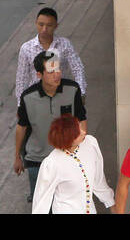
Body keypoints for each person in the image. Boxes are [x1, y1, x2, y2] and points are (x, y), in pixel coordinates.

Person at [15, 50, 86, 203]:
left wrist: (82, 148)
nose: (57, 74)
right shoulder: (28, 97)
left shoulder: (72, 90)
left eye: (58, 69)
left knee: (68, 204)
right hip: (37, 160)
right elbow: (22, 127)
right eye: (51, 71)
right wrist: (17, 157)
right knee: (41, 204)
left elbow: (81, 119)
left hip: (67, 158)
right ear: (39, 74)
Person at [31, 115, 115, 215]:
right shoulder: (52, 163)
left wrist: (111, 202)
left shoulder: (90, 143)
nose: (83, 132)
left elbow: (98, 179)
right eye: (78, 133)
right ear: (68, 139)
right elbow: (42, 199)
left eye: (80, 126)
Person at [14, 7, 87, 101]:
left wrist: (81, 92)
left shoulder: (65, 44)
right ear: (36, 23)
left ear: (56, 26)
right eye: (41, 24)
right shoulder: (26, 48)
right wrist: (21, 104)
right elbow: (21, 78)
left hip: (61, 96)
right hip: (36, 98)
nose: (44, 29)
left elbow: (78, 69)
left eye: (49, 25)